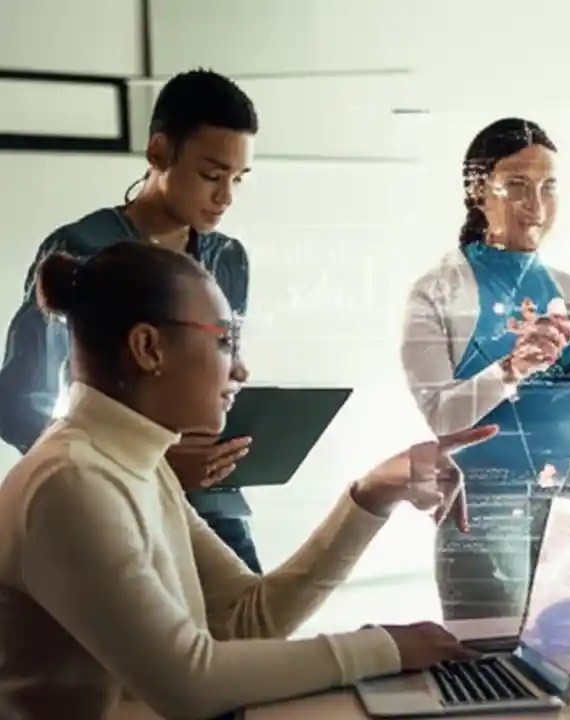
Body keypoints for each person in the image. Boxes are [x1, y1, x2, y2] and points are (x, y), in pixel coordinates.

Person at [0, 242, 499, 719]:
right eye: (222, 341)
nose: (240, 368)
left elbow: (246, 619)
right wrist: (385, 647)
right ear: (148, 347)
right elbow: (187, 683)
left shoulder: (135, 464)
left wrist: (373, 494)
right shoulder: (71, 482)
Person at [0, 68, 266, 571]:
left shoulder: (229, 259)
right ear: (159, 152)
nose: (226, 197)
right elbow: (19, 400)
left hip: (211, 502)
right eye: (212, 176)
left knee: (258, 626)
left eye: (237, 179)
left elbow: (209, 382)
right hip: (115, 503)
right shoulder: (84, 250)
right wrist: (141, 464)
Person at [401, 117, 570, 620]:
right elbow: (443, 418)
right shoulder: (436, 293)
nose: (537, 206)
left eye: (549, 187)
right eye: (517, 187)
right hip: (486, 512)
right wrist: (512, 367)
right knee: (494, 668)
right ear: (477, 191)